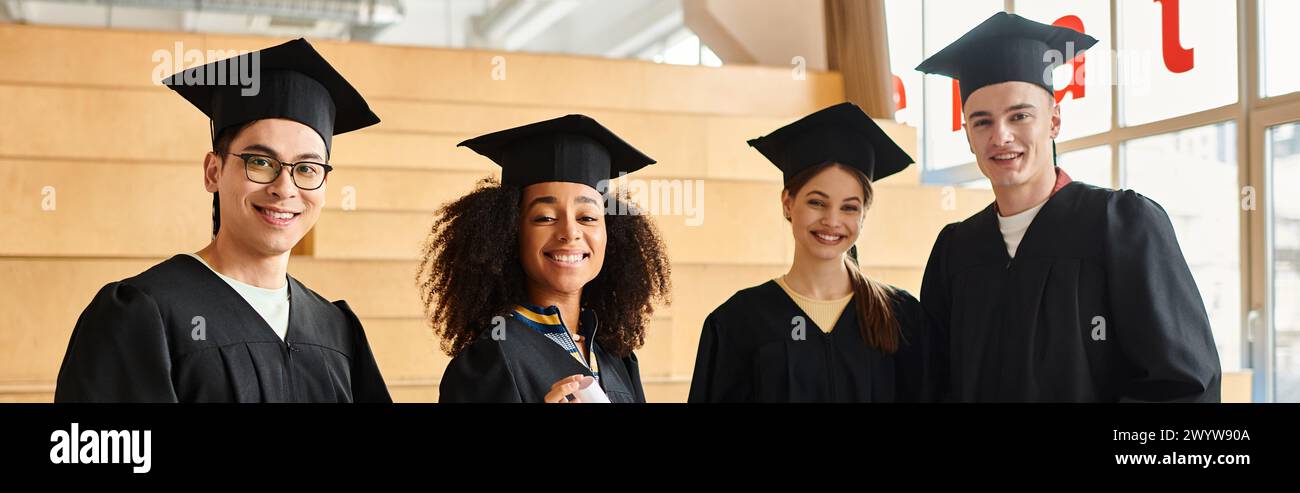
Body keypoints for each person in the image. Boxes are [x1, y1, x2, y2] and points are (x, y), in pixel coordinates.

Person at [55, 39, 391, 403]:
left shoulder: (335, 328)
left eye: (307, 168)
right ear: (213, 171)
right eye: (260, 162)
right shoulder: (143, 313)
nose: (284, 188)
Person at [916, 12, 1221, 402]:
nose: (1001, 136)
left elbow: (1184, 385)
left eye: (1019, 116)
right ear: (968, 136)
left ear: (1054, 120)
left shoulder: (1119, 226)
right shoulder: (956, 251)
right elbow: (933, 382)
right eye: (982, 122)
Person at [688, 102, 934, 402]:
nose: (832, 221)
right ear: (788, 203)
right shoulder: (738, 324)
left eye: (849, 207)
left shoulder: (901, 316)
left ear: (864, 214)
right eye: (817, 202)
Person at [423, 115, 671, 403]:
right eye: (545, 218)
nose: (569, 232)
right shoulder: (490, 359)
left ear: (610, 235)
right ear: (509, 232)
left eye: (587, 217)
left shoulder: (616, 357)